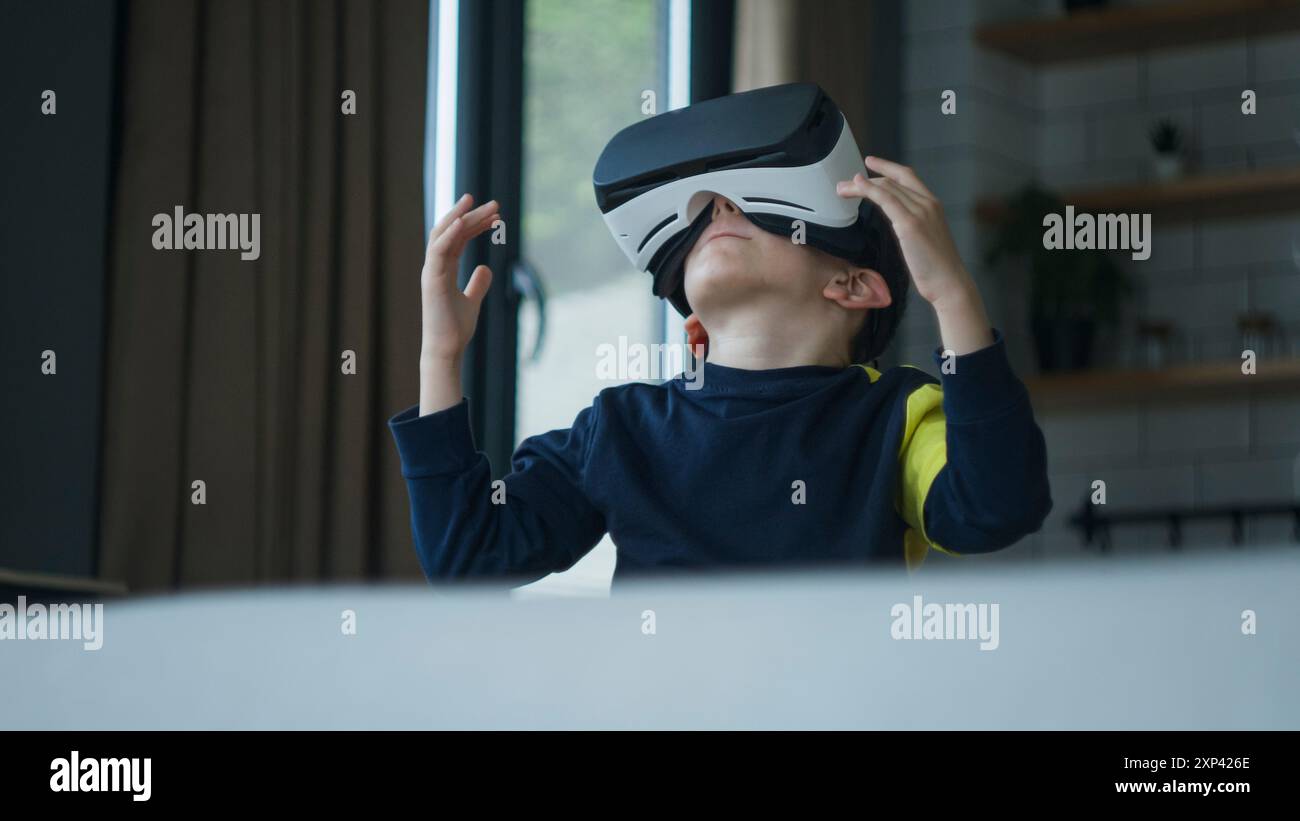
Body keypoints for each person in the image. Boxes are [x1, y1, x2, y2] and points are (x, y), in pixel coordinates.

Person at [389, 154, 1051, 584]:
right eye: (706, 210)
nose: (716, 208)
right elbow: (470, 555)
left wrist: (954, 295)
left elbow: (995, 508)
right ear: (693, 327)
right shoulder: (620, 427)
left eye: (754, 203)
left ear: (853, 285)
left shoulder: (902, 414)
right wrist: (440, 357)